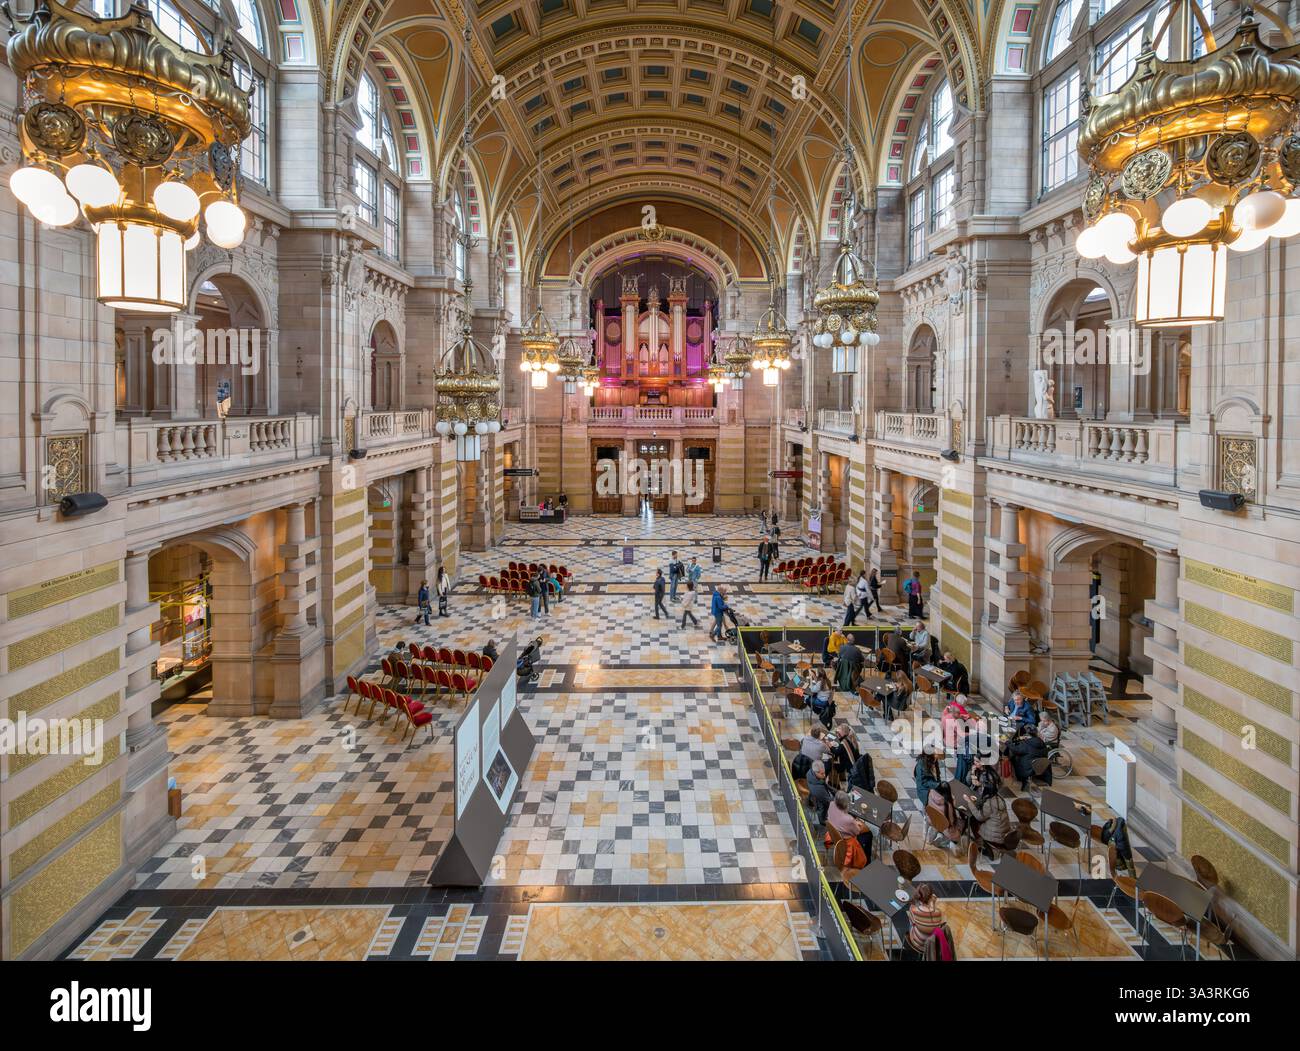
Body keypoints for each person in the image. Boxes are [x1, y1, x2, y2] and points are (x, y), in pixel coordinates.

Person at [967, 768, 1012, 850]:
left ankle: (981, 844)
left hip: (995, 837)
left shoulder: (990, 803)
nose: (981, 788)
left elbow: (979, 817)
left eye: (983, 787)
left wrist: (969, 802)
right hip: (1004, 831)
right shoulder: (999, 798)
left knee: (973, 820)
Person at [941, 695, 980, 785]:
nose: (959, 715)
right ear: (954, 714)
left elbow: (955, 713)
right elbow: (962, 735)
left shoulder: (945, 715)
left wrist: (963, 716)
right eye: (958, 714)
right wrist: (972, 733)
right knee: (968, 743)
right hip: (953, 743)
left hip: (945, 739)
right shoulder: (954, 722)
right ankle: (964, 763)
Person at [828, 791, 874, 860]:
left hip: (835, 830)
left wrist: (854, 822)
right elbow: (858, 832)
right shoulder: (849, 819)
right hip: (846, 839)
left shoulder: (831, 804)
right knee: (869, 834)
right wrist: (859, 823)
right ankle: (866, 859)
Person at [905, 884, 944, 954]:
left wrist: (915, 903)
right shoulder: (938, 913)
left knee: (911, 922)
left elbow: (912, 921)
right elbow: (931, 913)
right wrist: (932, 903)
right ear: (931, 897)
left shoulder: (914, 909)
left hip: (919, 943)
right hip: (933, 944)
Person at [807, 761, 834, 825]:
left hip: (819, 800)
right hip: (823, 813)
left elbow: (827, 786)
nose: (824, 775)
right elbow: (829, 801)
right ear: (816, 772)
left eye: (824, 773)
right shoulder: (818, 788)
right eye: (822, 774)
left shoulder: (810, 773)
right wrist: (840, 798)